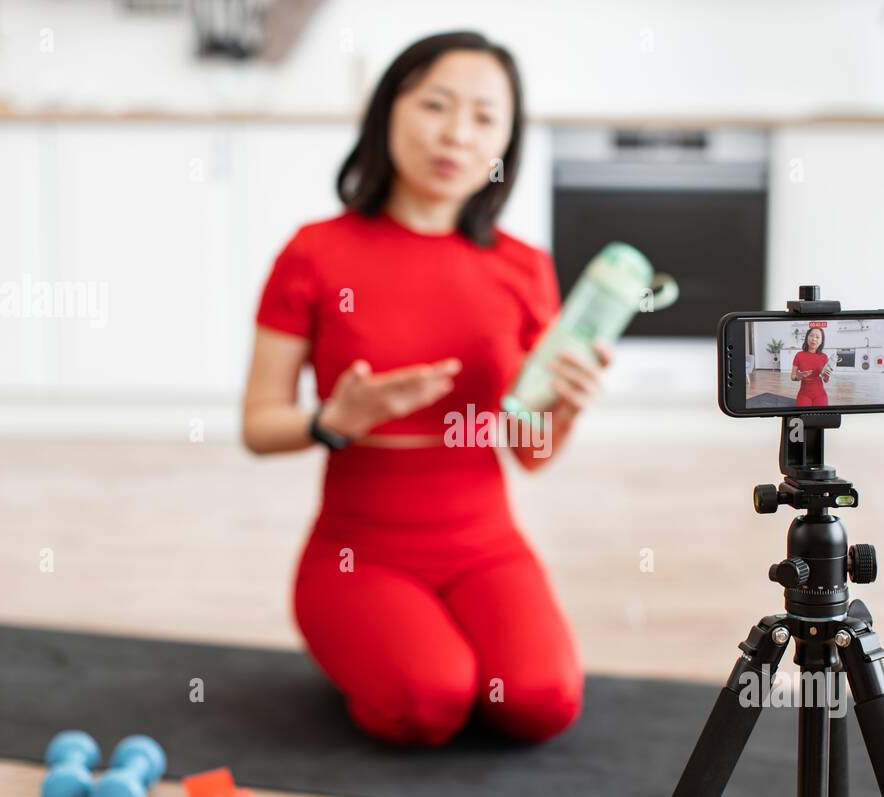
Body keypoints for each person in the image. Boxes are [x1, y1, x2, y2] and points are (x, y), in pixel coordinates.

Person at [240, 32, 613, 748]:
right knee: (428, 702)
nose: (457, 135)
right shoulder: (313, 252)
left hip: (486, 546)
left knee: (542, 702)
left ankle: (433, 645)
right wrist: (334, 420)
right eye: (436, 105)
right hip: (358, 552)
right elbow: (259, 425)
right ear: (388, 113)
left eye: (484, 117)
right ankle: (387, 645)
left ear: (507, 140)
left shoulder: (525, 267)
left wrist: (562, 406)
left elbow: (528, 455)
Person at [792, 327, 831, 407]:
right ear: (807, 337)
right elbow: (793, 377)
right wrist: (799, 377)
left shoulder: (824, 357)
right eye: (811, 336)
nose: (814, 339)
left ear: (821, 341)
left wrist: (827, 376)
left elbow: (826, 380)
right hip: (804, 394)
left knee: (820, 417)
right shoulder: (799, 355)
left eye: (817, 337)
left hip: (820, 394)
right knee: (803, 417)